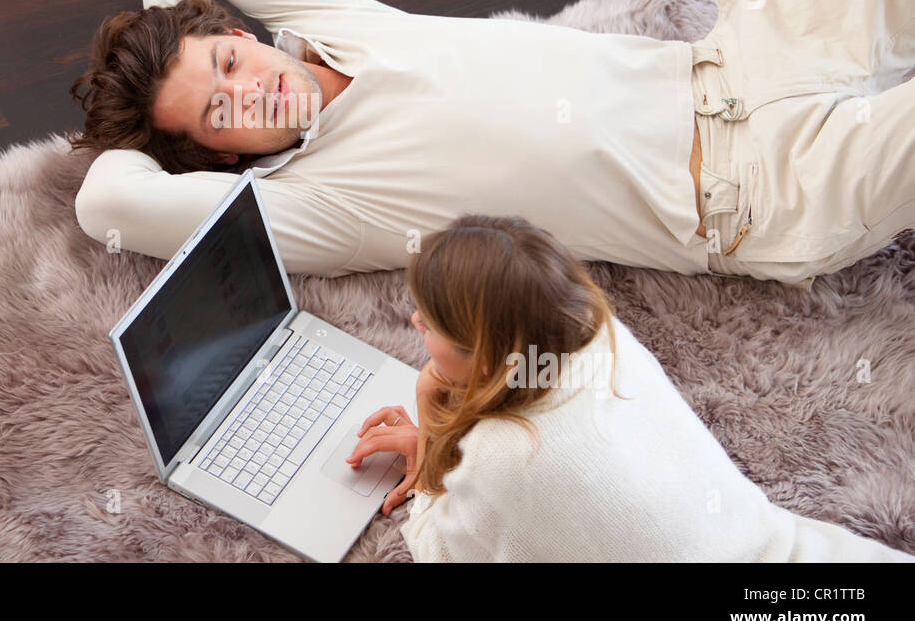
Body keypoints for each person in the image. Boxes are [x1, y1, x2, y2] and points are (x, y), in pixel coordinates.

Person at [69, 0, 915, 290]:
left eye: (226, 64)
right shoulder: (311, 209)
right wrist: (161, 124)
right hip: (764, 192)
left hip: (748, 54)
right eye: (218, 113)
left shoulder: (333, 22)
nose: (246, 91)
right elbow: (104, 202)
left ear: (235, 29)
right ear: (215, 156)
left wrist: (167, 34)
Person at [343, 213, 913, 562]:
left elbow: (440, 552)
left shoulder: (504, 455)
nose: (413, 321)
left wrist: (434, 437)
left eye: (429, 322)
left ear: (488, 354)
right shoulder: (601, 333)